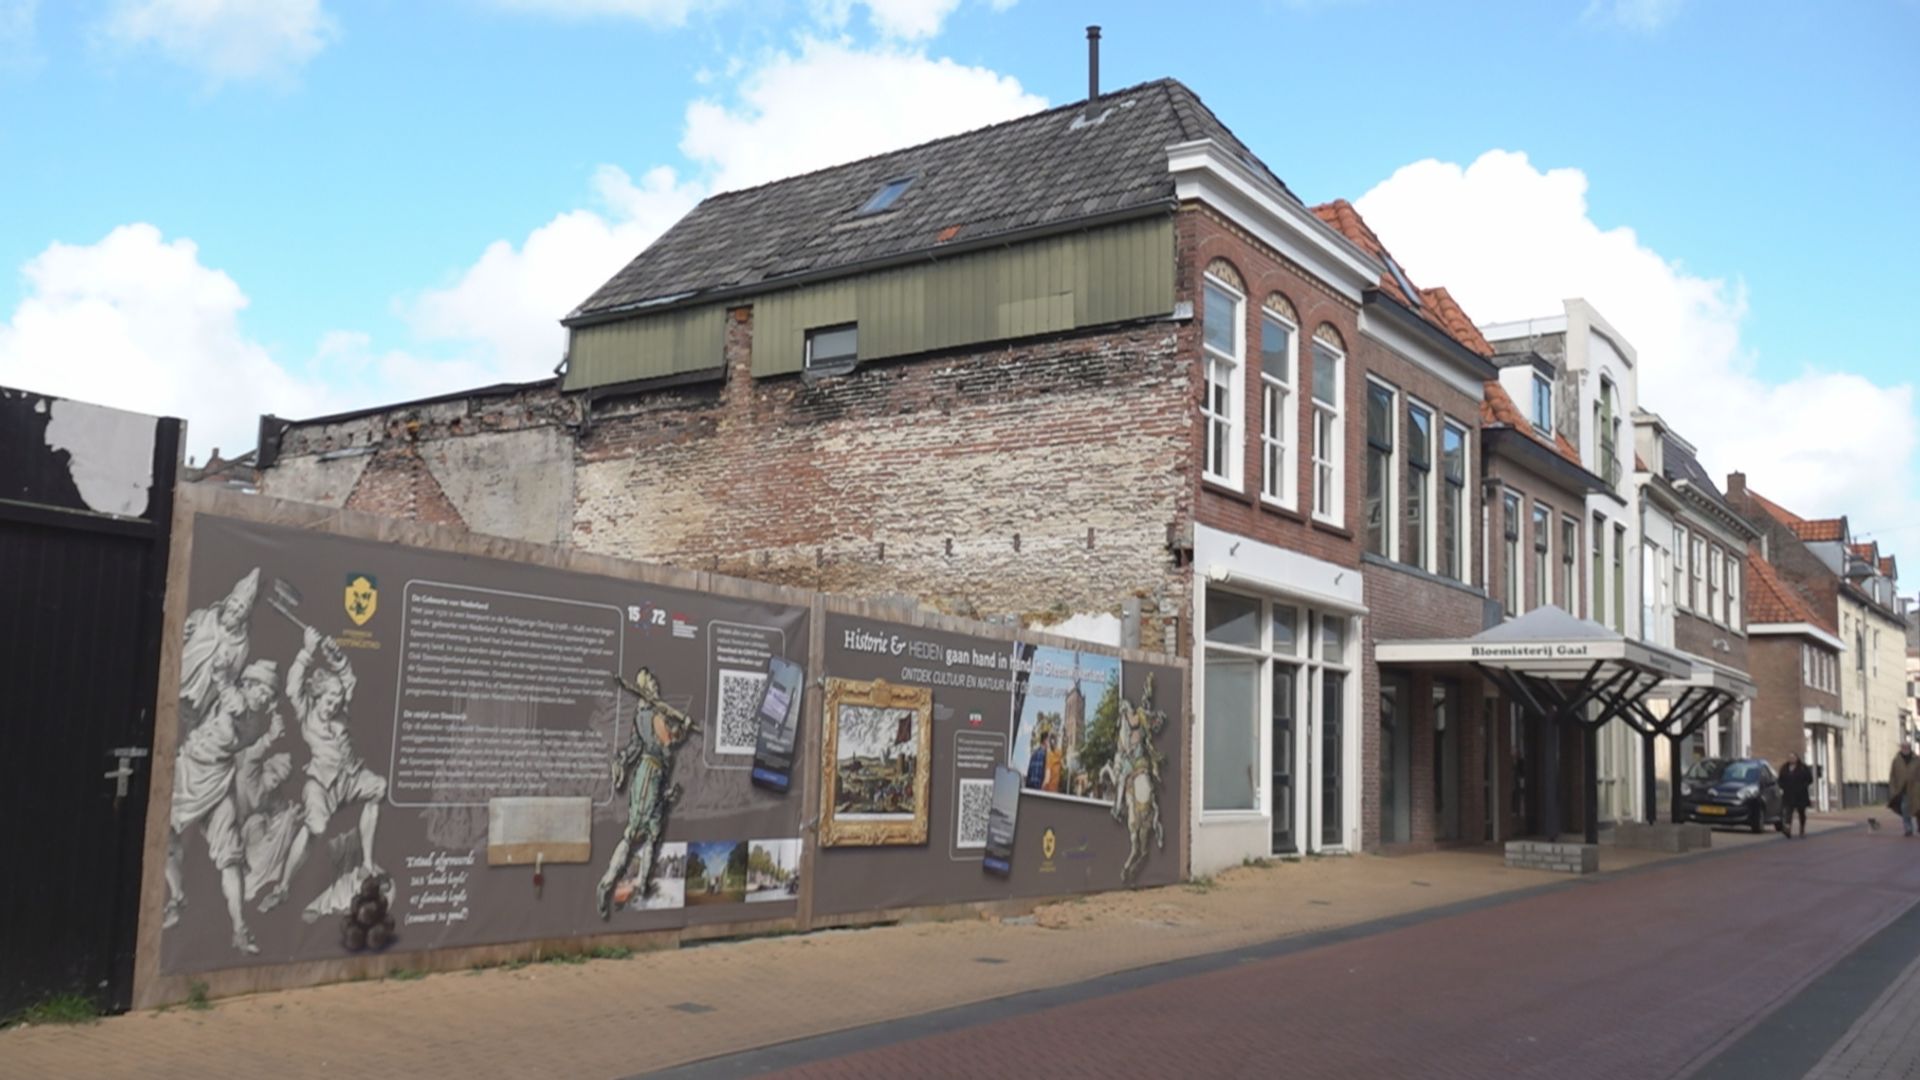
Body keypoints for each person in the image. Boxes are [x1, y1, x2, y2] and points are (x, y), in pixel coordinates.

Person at [260, 627, 387, 915]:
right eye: (329, 701)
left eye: (337, 702)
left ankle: (367, 864)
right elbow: (293, 687)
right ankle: (283, 887)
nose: (334, 706)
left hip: (351, 776)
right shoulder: (305, 710)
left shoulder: (342, 711)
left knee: (379, 787)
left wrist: (336, 656)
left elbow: (349, 679)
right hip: (321, 782)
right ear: (317, 697)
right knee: (315, 827)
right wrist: (307, 651)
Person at [165, 658, 281, 954]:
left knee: (230, 855)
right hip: (187, 772)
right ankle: (177, 898)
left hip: (217, 782)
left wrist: (222, 678)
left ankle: (240, 929)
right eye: (261, 690)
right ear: (249, 684)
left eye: (269, 693)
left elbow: (237, 708)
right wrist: (220, 675)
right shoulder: (228, 696)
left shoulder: (251, 717)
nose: (264, 696)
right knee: (167, 838)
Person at [597, 668, 698, 919]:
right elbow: (667, 740)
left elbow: (635, 746)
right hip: (649, 777)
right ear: (646, 688)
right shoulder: (652, 714)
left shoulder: (644, 715)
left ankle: (642, 884)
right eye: (651, 681)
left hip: (656, 778)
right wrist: (683, 728)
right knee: (634, 834)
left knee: (653, 834)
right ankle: (606, 884)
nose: (655, 682)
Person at [1778, 753, 1813, 838]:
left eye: (1793, 757)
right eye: (1790, 757)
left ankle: (1802, 828)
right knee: (1788, 812)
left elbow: (1810, 779)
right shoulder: (1785, 768)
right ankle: (1788, 829)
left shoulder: (1803, 768)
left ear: (1797, 758)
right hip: (1788, 794)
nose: (1791, 759)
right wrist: (1782, 786)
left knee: (1801, 812)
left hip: (1800, 794)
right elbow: (1780, 779)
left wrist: (1803, 786)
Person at [1890, 741, 1920, 838]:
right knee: (1905, 809)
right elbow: (1892, 775)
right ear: (1901, 748)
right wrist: (1893, 788)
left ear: (1910, 748)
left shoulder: (1917, 759)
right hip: (1903, 789)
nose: (1905, 749)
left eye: (1907, 747)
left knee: (1918, 809)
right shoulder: (1896, 760)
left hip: (1916, 789)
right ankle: (1908, 828)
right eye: (1903, 747)